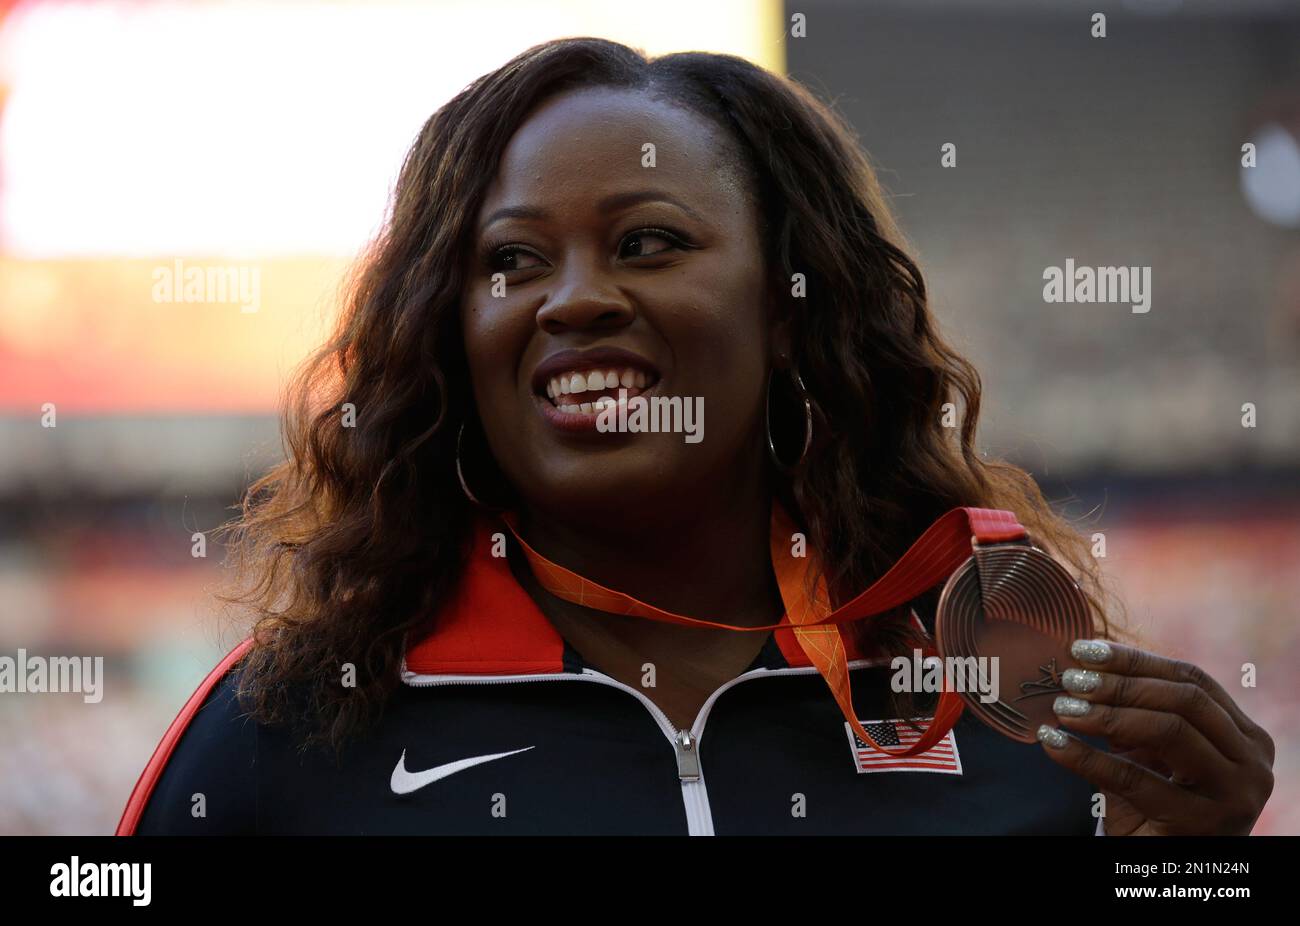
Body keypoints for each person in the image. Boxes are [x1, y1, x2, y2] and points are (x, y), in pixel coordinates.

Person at [116, 37, 1274, 836]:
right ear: (451, 335)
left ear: (785, 304)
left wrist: (1188, 868)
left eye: (650, 242)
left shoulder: (999, 698)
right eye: (510, 261)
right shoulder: (282, 731)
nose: (570, 300)